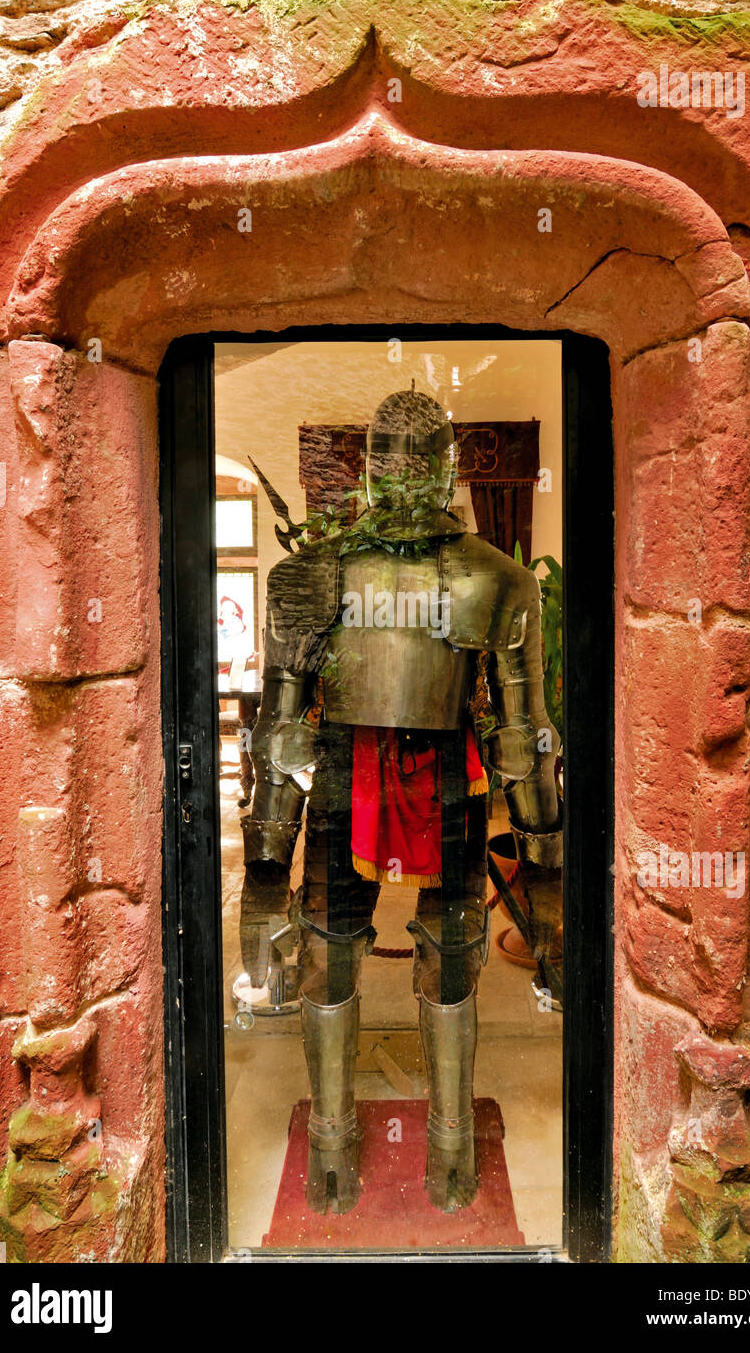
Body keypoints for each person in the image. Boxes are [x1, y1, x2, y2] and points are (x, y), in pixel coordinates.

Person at [241, 388, 561, 1215]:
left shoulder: (495, 580)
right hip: (353, 767)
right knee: (330, 953)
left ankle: (438, 1145)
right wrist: (261, 880)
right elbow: (279, 736)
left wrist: (547, 872)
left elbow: (525, 738)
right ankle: (343, 1146)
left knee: (444, 957)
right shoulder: (316, 575)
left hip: (441, 771)